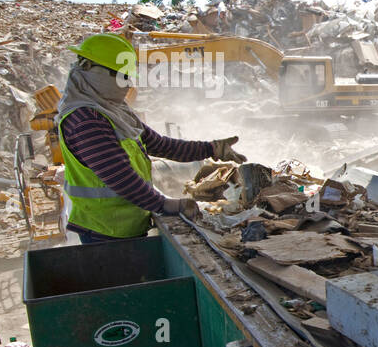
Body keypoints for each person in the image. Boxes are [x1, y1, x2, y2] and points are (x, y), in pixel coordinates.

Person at [57, 33, 247, 244]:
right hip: (105, 232)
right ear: (92, 71)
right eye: (122, 76)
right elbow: (119, 177)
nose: (128, 84)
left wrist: (212, 149)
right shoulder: (86, 119)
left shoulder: (115, 111)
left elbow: (160, 145)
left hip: (125, 224)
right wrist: (165, 204)